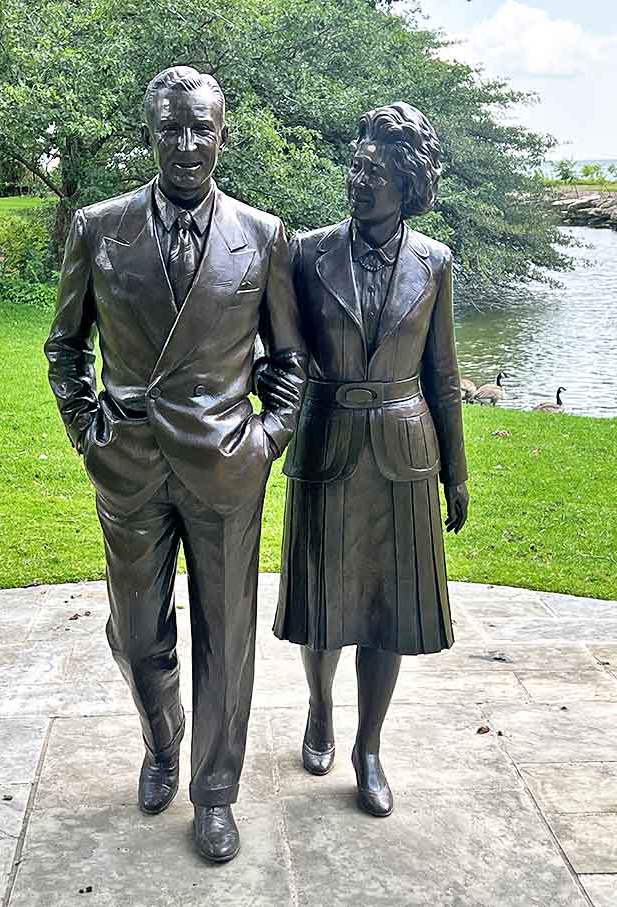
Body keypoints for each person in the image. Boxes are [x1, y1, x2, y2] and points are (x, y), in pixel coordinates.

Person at [45, 66, 305, 862]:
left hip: (225, 467)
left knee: (226, 640)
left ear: (223, 132)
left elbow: (289, 362)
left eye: (202, 128)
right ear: (150, 130)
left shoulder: (262, 235)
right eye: (171, 128)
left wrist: (263, 442)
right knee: (136, 633)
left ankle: (214, 791)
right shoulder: (99, 227)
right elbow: (64, 346)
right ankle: (163, 739)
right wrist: (89, 430)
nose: (187, 145)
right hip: (128, 462)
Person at [268, 102, 468, 817]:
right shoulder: (307, 252)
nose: (359, 179)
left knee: (387, 612)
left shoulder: (435, 262)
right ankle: (319, 708)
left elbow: (444, 375)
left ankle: (370, 746)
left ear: (407, 183)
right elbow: (282, 358)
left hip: (404, 447)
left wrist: (457, 469)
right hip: (327, 443)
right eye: (355, 166)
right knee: (325, 603)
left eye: (375, 171)